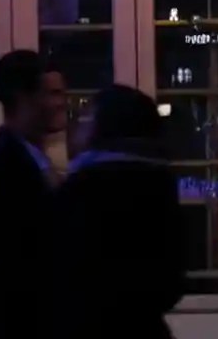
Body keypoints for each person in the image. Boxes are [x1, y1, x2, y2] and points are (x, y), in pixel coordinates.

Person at [55, 84, 185, 339]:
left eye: (86, 119)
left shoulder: (82, 188)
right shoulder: (160, 184)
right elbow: (171, 281)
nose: (76, 129)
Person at [0, 50, 68, 339]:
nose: (60, 103)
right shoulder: (9, 166)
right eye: (49, 93)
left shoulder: (21, 158)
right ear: (23, 99)